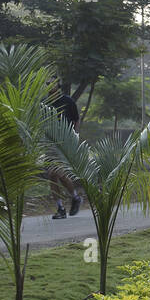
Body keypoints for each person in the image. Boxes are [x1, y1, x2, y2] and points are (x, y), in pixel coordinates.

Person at [47, 81, 83, 218]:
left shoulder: (68, 101)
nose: (50, 86)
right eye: (48, 83)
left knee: (55, 172)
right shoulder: (45, 103)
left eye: (53, 83)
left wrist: (74, 137)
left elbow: (76, 120)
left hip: (65, 142)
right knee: (53, 176)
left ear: (58, 85)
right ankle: (63, 206)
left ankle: (72, 200)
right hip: (51, 142)